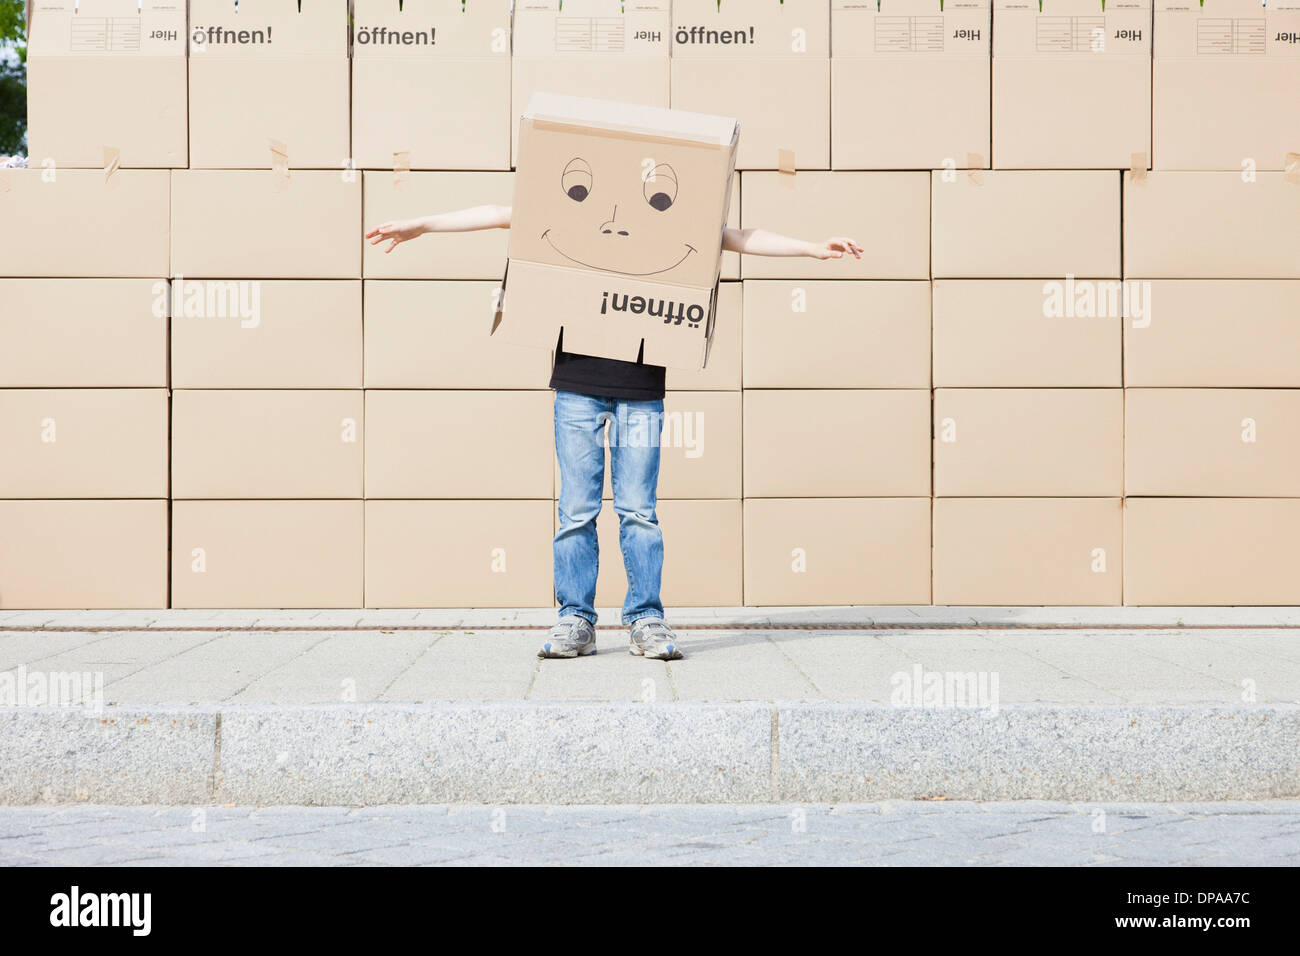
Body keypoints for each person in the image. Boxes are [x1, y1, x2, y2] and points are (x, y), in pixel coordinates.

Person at [366, 207, 862, 661]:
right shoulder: (576, 219)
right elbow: (504, 215)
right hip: (578, 389)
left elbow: (735, 236)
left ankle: (646, 619)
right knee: (576, 511)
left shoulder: (666, 226)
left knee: (639, 512)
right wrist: (421, 226)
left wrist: (812, 247)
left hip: (641, 390)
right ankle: (575, 620)